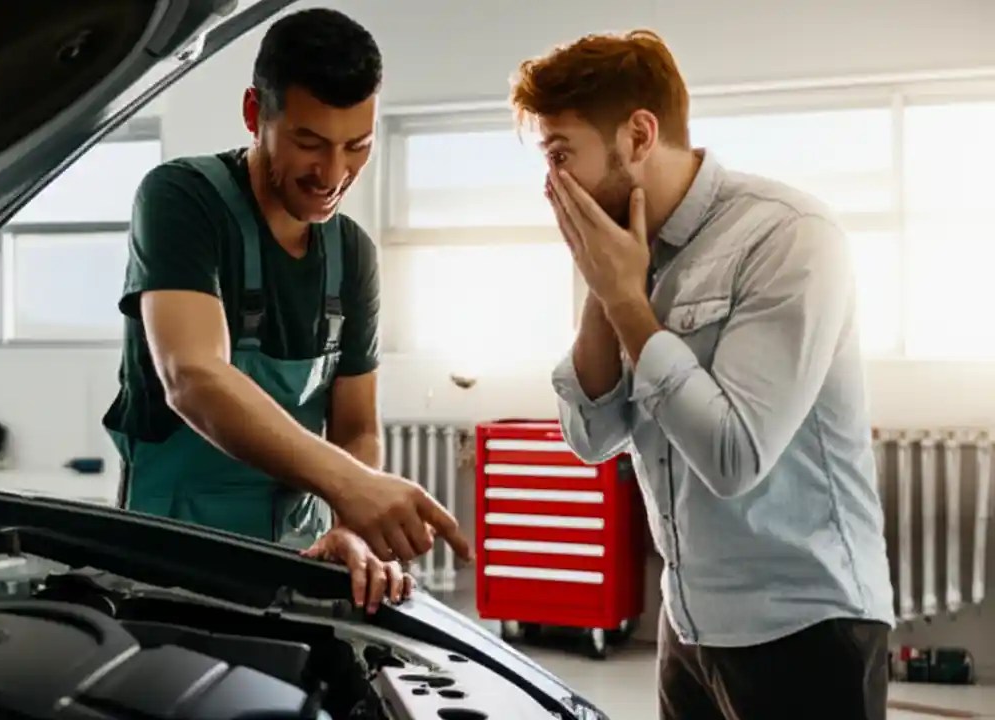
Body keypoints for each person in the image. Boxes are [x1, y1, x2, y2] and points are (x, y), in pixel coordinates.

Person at [510, 30, 895, 720]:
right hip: (688, 626)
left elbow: (733, 454)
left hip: (806, 628)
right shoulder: (622, 253)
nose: (552, 185)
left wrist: (627, 300)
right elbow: (593, 438)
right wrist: (607, 291)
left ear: (637, 135)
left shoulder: (788, 236)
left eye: (561, 155)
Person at [103, 8, 471, 612]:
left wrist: (351, 525)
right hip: (167, 559)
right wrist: (355, 485)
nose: (333, 173)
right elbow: (192, 376)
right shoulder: (181, 200)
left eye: (358, 146)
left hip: (294, 560)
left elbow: (354, 425)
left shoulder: (351, 254)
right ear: (256, 115)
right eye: (309, 143)